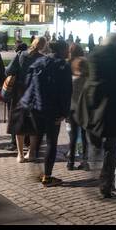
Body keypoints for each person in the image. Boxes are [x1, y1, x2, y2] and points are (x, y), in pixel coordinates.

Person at [77, 32, 116, 198]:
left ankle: (95, 169)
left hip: (94, 108)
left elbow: (90, 83)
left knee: (95, 142)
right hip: (115, 110)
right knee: (112, 149)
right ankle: (106, 183)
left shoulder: (94, 58)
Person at [19, 39, 73, 186]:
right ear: (62, 50)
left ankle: (36, 170)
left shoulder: (39, 62)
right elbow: (66, 91)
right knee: (51, 142)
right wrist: (64, 112)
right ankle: (47, 176)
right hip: (53, 110)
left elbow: (28, 83)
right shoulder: (63, 66)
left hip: (36, 107)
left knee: (37, 139)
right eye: (67, 49)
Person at [6, 36, 46, 162]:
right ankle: (31, 153)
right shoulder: (43, 59)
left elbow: (9, 71)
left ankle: (20, 155)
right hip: (35, 95)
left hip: (19, 93)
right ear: (43, 46)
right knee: (33, 126)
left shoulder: (21, 55)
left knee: (19, 124)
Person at [66, 42, 90, 170]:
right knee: (84, 136)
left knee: (73, 136)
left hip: (72, 107)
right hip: (84, 108)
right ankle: (84, 161)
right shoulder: (87, 76)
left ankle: (71, 161)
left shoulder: (69, 69)